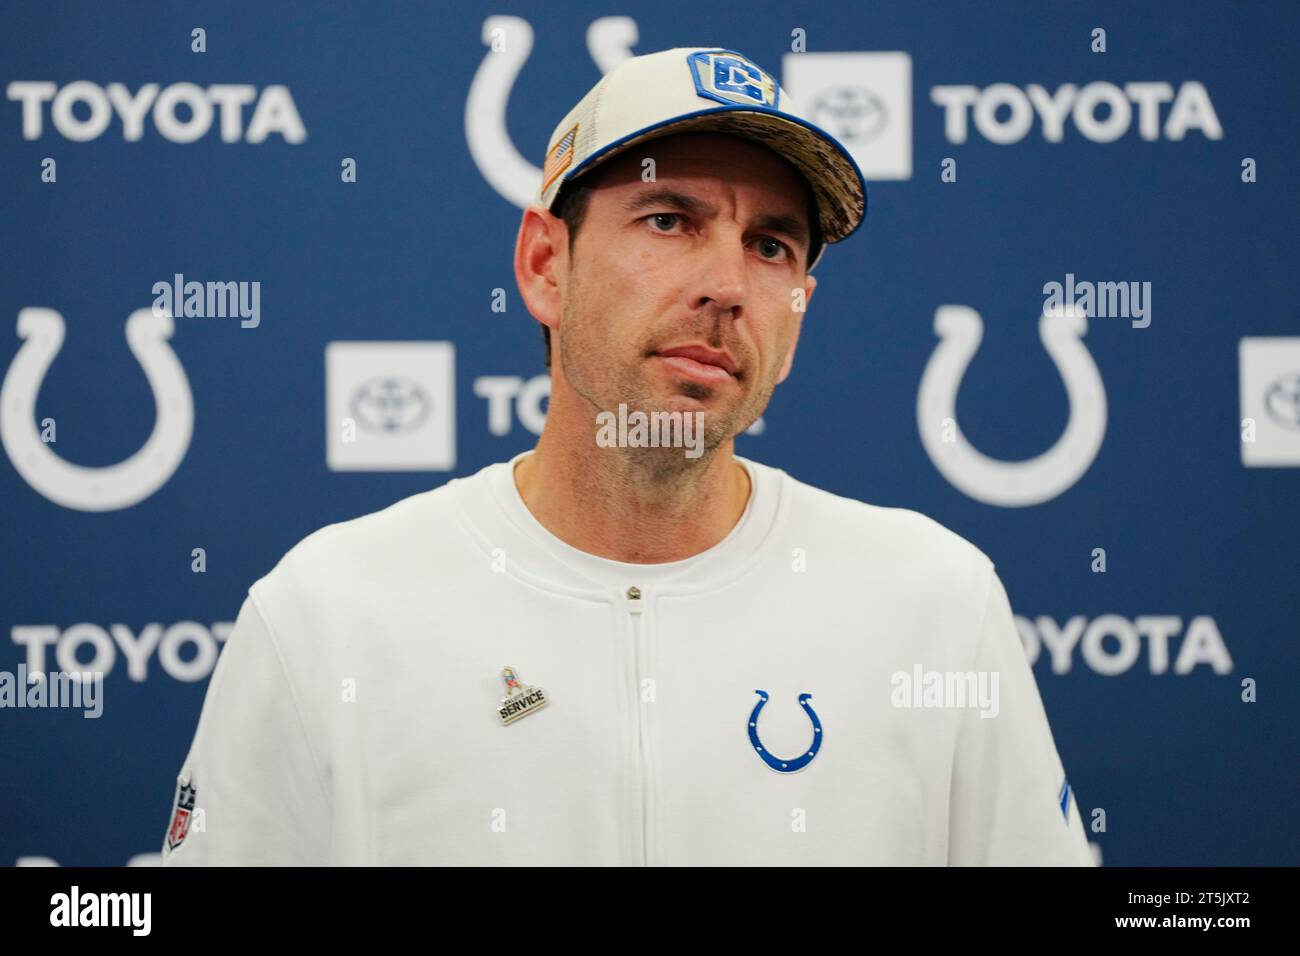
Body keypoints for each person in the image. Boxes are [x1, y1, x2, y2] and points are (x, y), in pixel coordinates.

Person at [161, 46, 1095, 866]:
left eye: (770, 245)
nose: (727, 286)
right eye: (669, 220)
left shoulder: (934, 602)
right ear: (545, 266)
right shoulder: (329, 614)